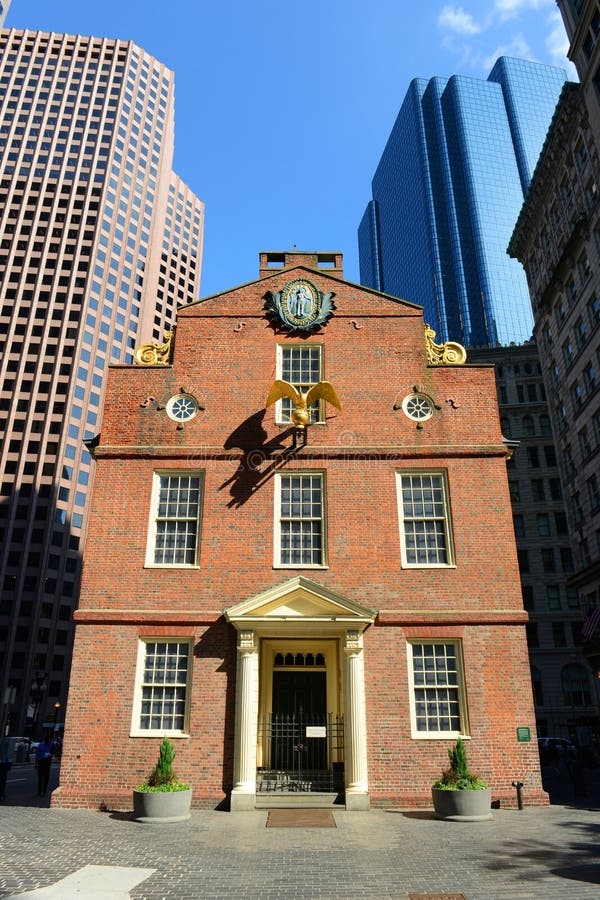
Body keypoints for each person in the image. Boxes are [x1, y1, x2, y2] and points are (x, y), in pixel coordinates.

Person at [35, 732, 55, 796]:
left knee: (43, 778)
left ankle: (42, 791)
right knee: (43, 777)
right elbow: (37, 754)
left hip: (45, 761)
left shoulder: (48, 744)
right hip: (43, 761)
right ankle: (42, 791)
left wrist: (51, 755)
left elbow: (53, 752)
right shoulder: (43, 744)